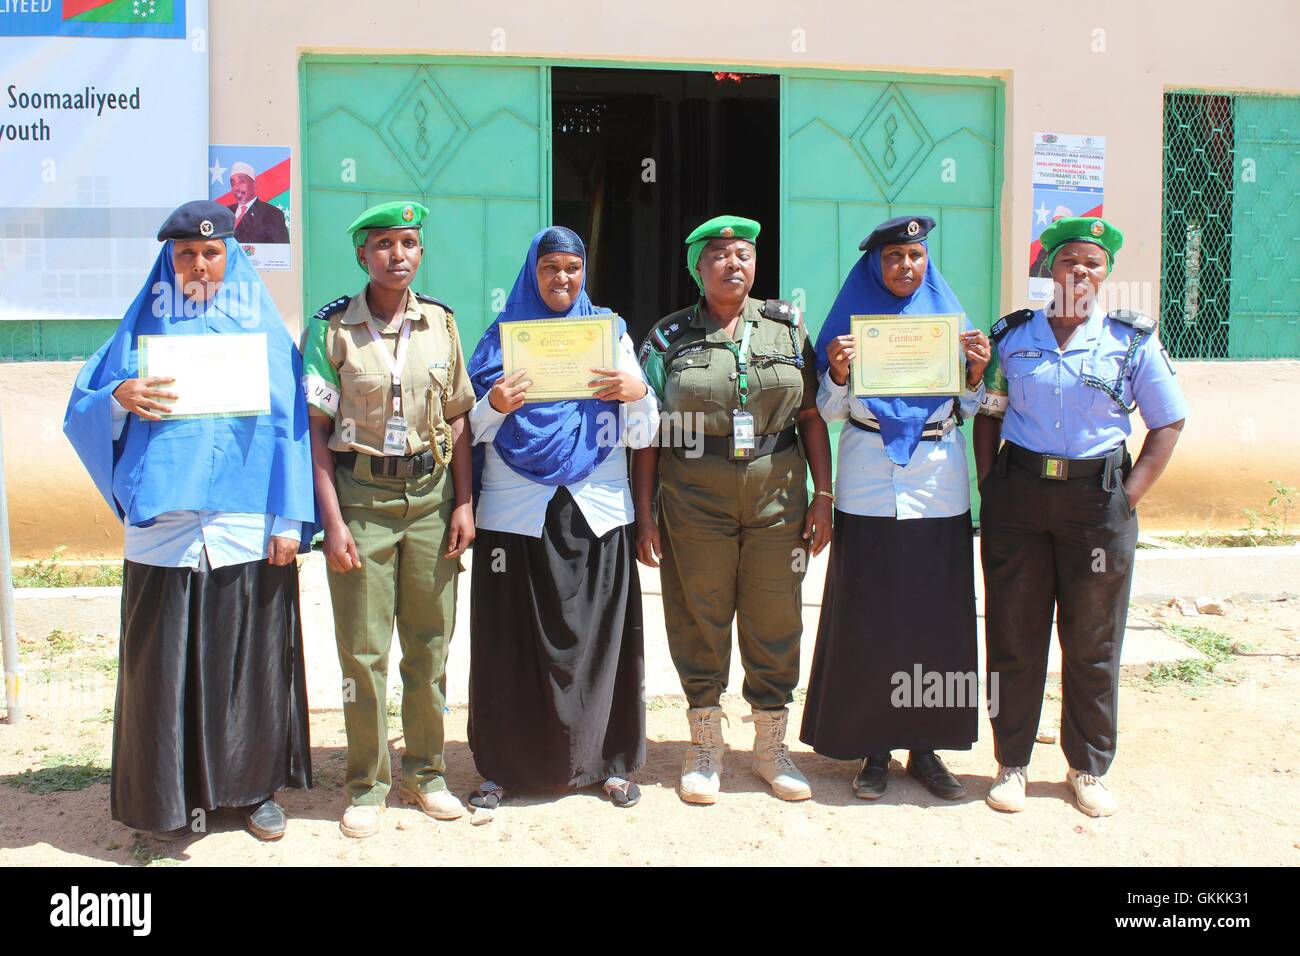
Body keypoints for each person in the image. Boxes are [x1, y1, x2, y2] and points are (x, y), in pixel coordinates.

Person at [63, 200, 316, 842]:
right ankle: (166, 798)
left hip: (244, 523)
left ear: (232, 256)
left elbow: (292, 430)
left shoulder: (262, 328)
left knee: (246, 662)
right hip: (165, 527)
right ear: (168, 261)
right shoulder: (144, 326)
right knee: (162, 667)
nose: (198, 264)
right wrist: (118, 400)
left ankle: (252, 791)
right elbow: (83, 406)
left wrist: (292, 519)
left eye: (210, 253)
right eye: (185, 255)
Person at [973, 216, 1188, 817]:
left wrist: (1130, 495)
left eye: (1092, 264)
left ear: (1107, 275)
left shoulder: (1132, 341)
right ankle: (1011, 763)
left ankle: (1086, 768)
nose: (1080, 273)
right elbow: (988, 412)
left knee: (1093, 641)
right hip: (1020, 500)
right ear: (1050, 269)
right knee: (1013, 635)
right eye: (1069, 261)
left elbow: (1168, 421)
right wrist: (992, 485)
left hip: (1098, 505)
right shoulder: (1013, 338)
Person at [634, 214, 833, 805]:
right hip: (695, 494)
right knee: (699, 613)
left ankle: (771, 746)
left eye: (743, 253)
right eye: (719, 254)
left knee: (776, 615)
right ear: (697, 267)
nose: (733, 264)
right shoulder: (667, 338)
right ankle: (703, 745)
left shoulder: (789, 330)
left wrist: (824, 495)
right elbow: (646, 430)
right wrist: (646, 513)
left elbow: (811, 416)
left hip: (778, 493)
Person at [464, 226, 660, 815]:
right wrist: (493, 405)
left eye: (572, 269)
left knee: (601, 642)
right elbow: (467, 430)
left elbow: (645, 432)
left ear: (584, 273)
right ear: (533, 271)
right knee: (510, 646)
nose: (562, 279)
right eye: (550, 268)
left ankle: (609, 764)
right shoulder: (501, 339)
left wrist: (637, 390)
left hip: (595, 511)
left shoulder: (611, 334)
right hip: (515, 516)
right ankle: (504, 767)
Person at [801, 216, 991, 802]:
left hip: (938, 477)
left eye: (914, 256)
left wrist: (976, 372)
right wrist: (836, 371)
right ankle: (873, 747)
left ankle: (927, 747)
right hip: (866, 476)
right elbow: (825, 412)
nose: (905, 267)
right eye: (892, 258)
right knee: (870, 612)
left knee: (936, 613)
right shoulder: (850, 326)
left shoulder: (947, 323)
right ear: (874, 266)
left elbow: (969, 404)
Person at [302, 200, 476, 839]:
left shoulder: (443, 325)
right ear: (361, 255)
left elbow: (458, 417)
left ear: (420, 253)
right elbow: (316, 432)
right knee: (365, 651)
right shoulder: (332, 331)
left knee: (429, 646)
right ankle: (367, 782)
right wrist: (332, 522)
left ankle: (427, 772)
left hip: (431, 502)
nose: (397, 255)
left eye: (408, 243)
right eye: (382, 245)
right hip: (363, 503)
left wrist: (463, 502)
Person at [225, 161, 290, 244]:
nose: (236, 188)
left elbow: (280, 251)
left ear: (254, 184)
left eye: (241, 182)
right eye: (233, 183)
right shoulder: (226, 212)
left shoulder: (272, 214)